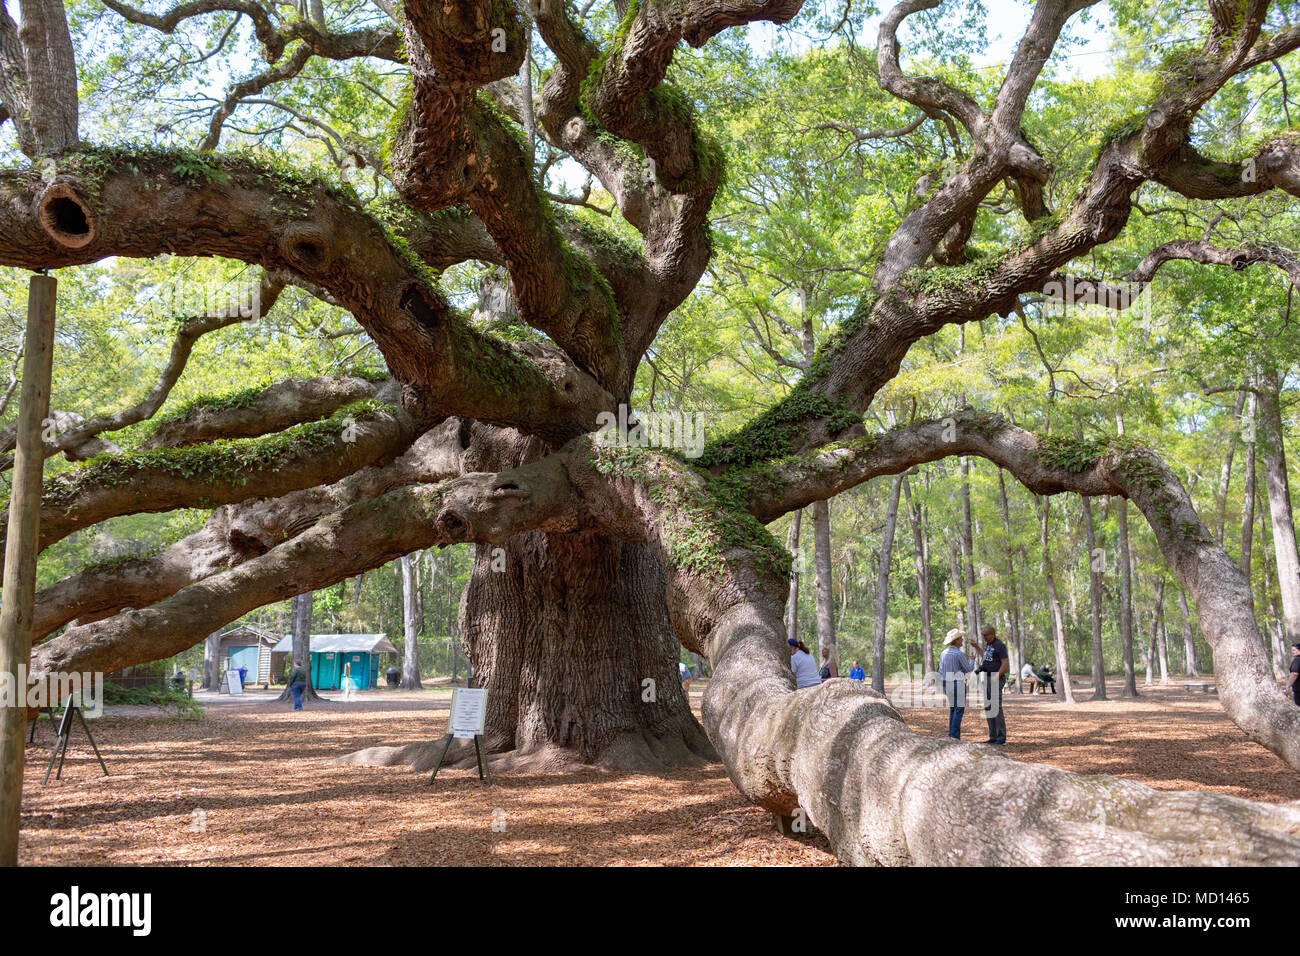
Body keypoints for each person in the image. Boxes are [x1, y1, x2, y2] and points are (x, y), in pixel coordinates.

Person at [976, 625, 1009, 744]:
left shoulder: (999, 645)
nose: (984, 637)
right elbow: (986, 657)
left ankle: (1001, 737)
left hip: (996, 678)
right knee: (988, 707)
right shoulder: (989, 645)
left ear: (992, 634)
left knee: (996, 707)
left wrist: (997, 676)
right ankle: (993, 736)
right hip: (987, 677)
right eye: (983, 635)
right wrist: (976, 647)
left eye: (986, 635)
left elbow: (1005, 664)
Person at [938, 628, 974, 739]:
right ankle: (954, 737)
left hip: (947, 684)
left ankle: (951, 735)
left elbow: (940, 670)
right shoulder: (959, 654)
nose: (962, 640)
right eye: (961, 638)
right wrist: (973, 660)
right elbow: (968, 669)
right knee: (958, 710)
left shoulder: (943, 653)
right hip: (957, 684)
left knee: (953, 709)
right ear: (957, 640)